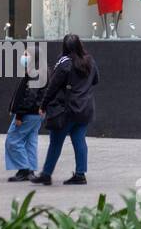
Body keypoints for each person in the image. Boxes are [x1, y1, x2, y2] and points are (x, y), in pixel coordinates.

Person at [31, 34, 100, 186]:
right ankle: (80, 174)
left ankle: (46, 174)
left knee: (56, 141)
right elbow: (96, 80)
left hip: (67, 110)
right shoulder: (90, 61)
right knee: (79, 140)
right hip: (85, 109)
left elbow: (52, 87)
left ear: (64, 47)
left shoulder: (64, 64)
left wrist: (42, 105)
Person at [4, 50, 43, 181]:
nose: (23, 57)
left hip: (28, 113)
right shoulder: (38, 72)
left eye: (26, 55)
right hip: (36, 114)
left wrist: (19, 115)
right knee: (31, 141)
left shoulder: (34, 73)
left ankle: (24, 169)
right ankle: (30, 169)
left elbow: (29, 97)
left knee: (12, 141)